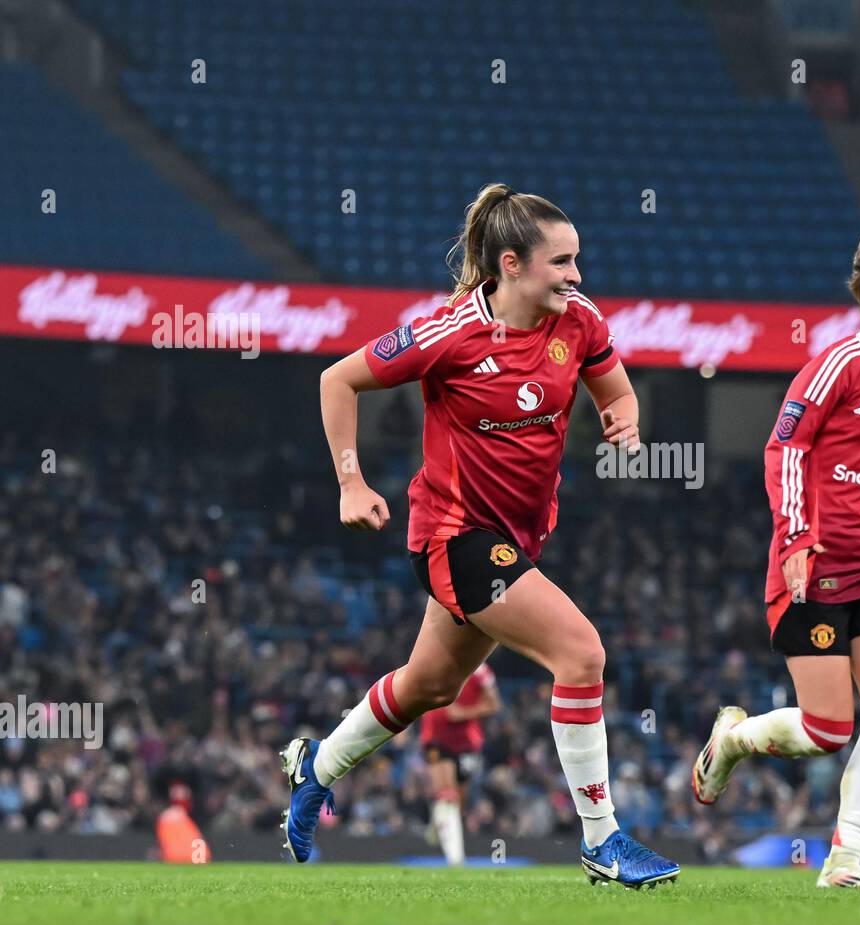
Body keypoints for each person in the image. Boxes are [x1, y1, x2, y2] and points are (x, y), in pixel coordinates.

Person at [282, 183, 679, 887]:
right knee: (582, 652)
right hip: (454, 536)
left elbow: (617, 389)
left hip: (518, 540)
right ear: (512, 264)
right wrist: (350, 480)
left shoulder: (579, 320)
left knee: (429, 685)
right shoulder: (447, 334)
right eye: (561, 261)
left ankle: (317, 766)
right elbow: (336, 380)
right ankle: (602, 840)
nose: (577, 275)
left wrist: (626, 420)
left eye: (577, 259)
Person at [693, 233, 860, 889]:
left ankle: (844, 863)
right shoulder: (837, 364)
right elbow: (784, 448)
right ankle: (733, 739)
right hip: (815, 570)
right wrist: (793, 537)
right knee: (826, 730)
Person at [421, 662, 500, 865]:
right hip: (436, 736)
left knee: (459, 801)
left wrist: (464, 713)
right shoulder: (439, 659)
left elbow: (494, 704)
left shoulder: (481, 672)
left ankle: (437, 822)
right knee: (447, 794)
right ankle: (455, 858)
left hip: (466, 742)